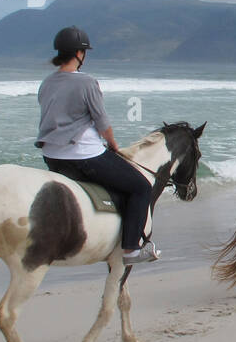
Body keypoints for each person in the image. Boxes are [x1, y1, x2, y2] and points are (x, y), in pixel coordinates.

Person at [36, 26, 159, 264]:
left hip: (52, 156)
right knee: (141, 187)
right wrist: (113, 145)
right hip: (83, 155)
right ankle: (131, 249)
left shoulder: (47, 83)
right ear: (80, 54)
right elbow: (102, 123)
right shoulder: (87, 82)